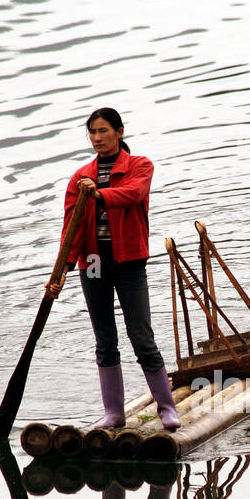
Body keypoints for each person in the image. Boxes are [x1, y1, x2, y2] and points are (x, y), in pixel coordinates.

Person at [48, 108, 180, 431]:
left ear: (119, 132)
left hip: (128, 263)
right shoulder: (79, 178)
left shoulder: (140, 166)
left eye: (103, 131)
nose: (97, 138)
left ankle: (166, 408)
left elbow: (133, 194)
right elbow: (72, 229)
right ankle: (114, 413)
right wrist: (62, 270)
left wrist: (99, 194)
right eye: (92, 133)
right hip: (92, 265)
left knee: (141, 336)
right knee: (105, 339)